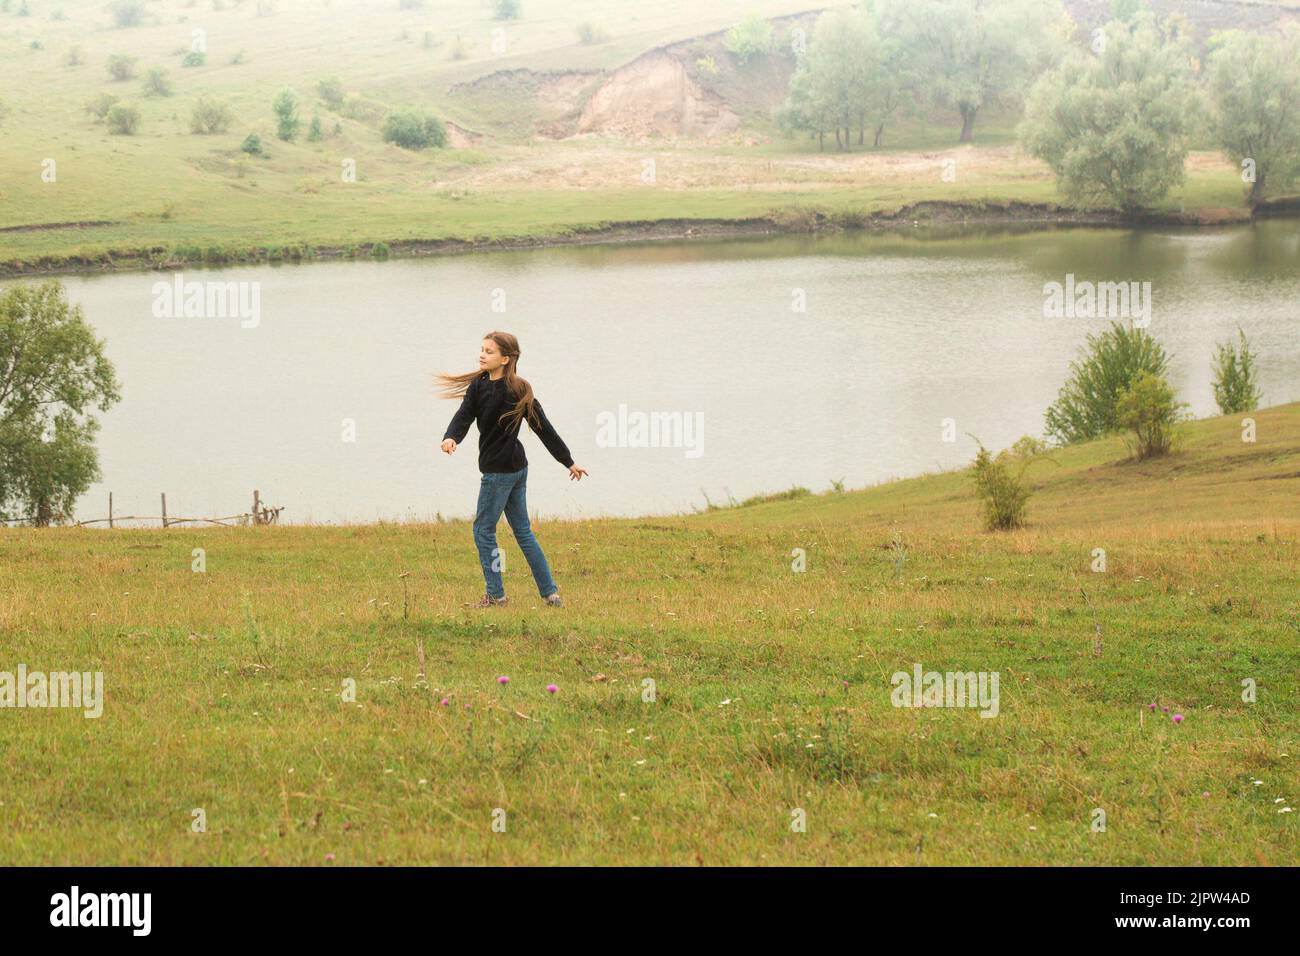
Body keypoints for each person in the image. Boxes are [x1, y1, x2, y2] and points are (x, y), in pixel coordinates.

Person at [438, 331, 587, 608]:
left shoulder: (517, 390)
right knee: (522, 531)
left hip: (499, 474)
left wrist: (568, 461)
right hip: (517, 468)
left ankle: (496, 595)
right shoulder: (478, 385)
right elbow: (464, 416)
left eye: (489, 351)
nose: (482, 354)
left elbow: (543, 428)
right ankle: (550, 595)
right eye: (481, 349)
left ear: (505, 359)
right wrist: (451, 437)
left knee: (483, 530)